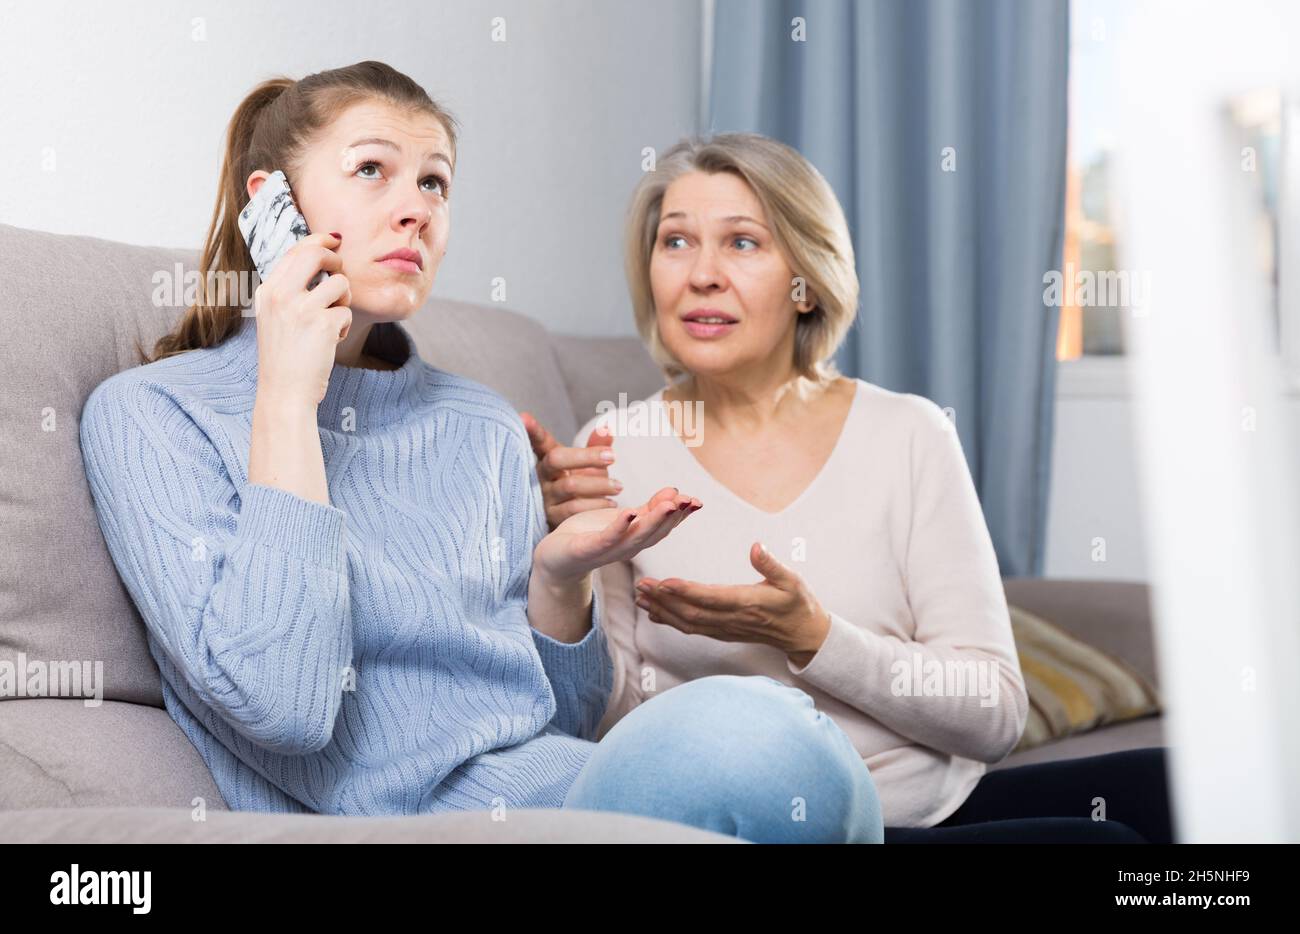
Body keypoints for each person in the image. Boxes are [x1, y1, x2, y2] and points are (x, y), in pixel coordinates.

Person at [77, 63, 881, 843]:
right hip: (401, 827)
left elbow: (561, 722)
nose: (415, 211)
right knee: (769, 748)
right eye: (371, 170)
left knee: (815, 765)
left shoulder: (483, 425)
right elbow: (284, 707)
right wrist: (288, 394)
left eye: (434, 182)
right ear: (272, 206)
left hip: (561, 791)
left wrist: (557, 580)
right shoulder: (153, 416)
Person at [522, 132, 1175, 842]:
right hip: (790, 825)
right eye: (675, 242)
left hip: (932, 812)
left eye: (742, 243)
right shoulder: (612, 448)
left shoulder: (910, 434)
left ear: (806, 278)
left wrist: (815, 638)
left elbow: (993, 712)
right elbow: (596, 731)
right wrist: (567, 575)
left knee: (1169, 789)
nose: (701, 275)